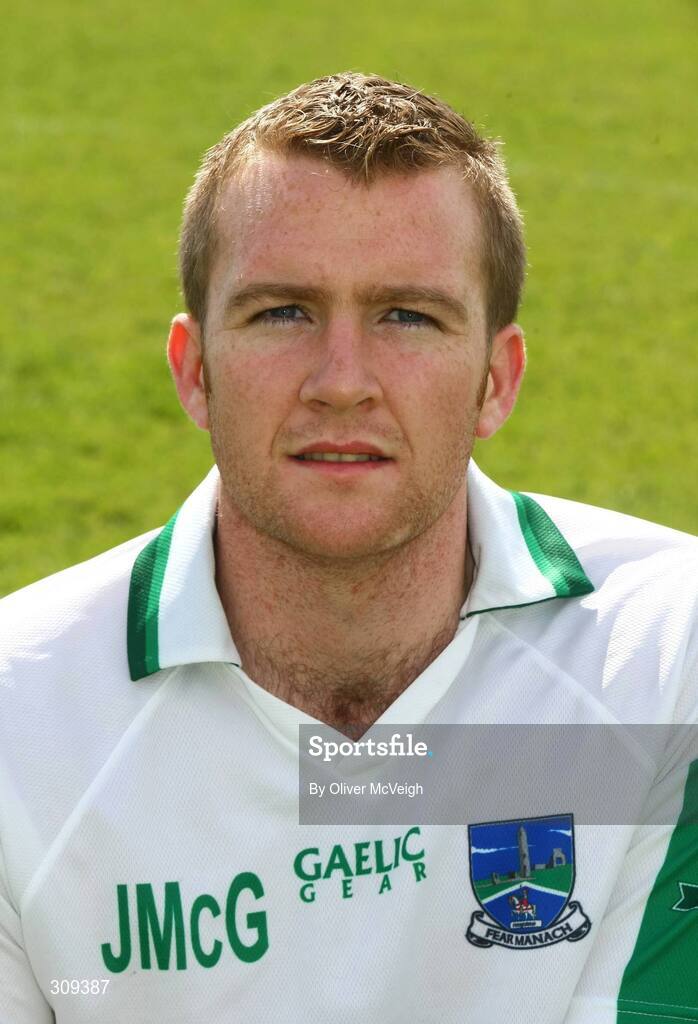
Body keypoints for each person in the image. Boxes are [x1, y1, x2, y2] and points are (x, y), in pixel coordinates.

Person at [0, 72, 696, 1024]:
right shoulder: (18, 718)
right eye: (281, 312)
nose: (341, 382)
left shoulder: (668, 651)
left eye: (407, 315)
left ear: (497, 378)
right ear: (195, 369)